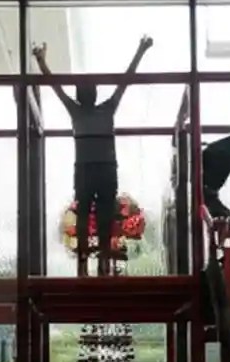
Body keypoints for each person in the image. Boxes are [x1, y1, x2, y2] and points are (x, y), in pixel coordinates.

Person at [33, 36, 153, 275]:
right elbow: (126, 81)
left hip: (85, 169)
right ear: (95, 95)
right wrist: (141, 49)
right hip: (106, 168)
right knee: (105, 215)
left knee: (85, 212)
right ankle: (102, 263)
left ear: (79, 95)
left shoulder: (76, 110)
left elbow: (55, 86)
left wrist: (41, 61)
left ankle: (83, 264)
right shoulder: (106, 110)